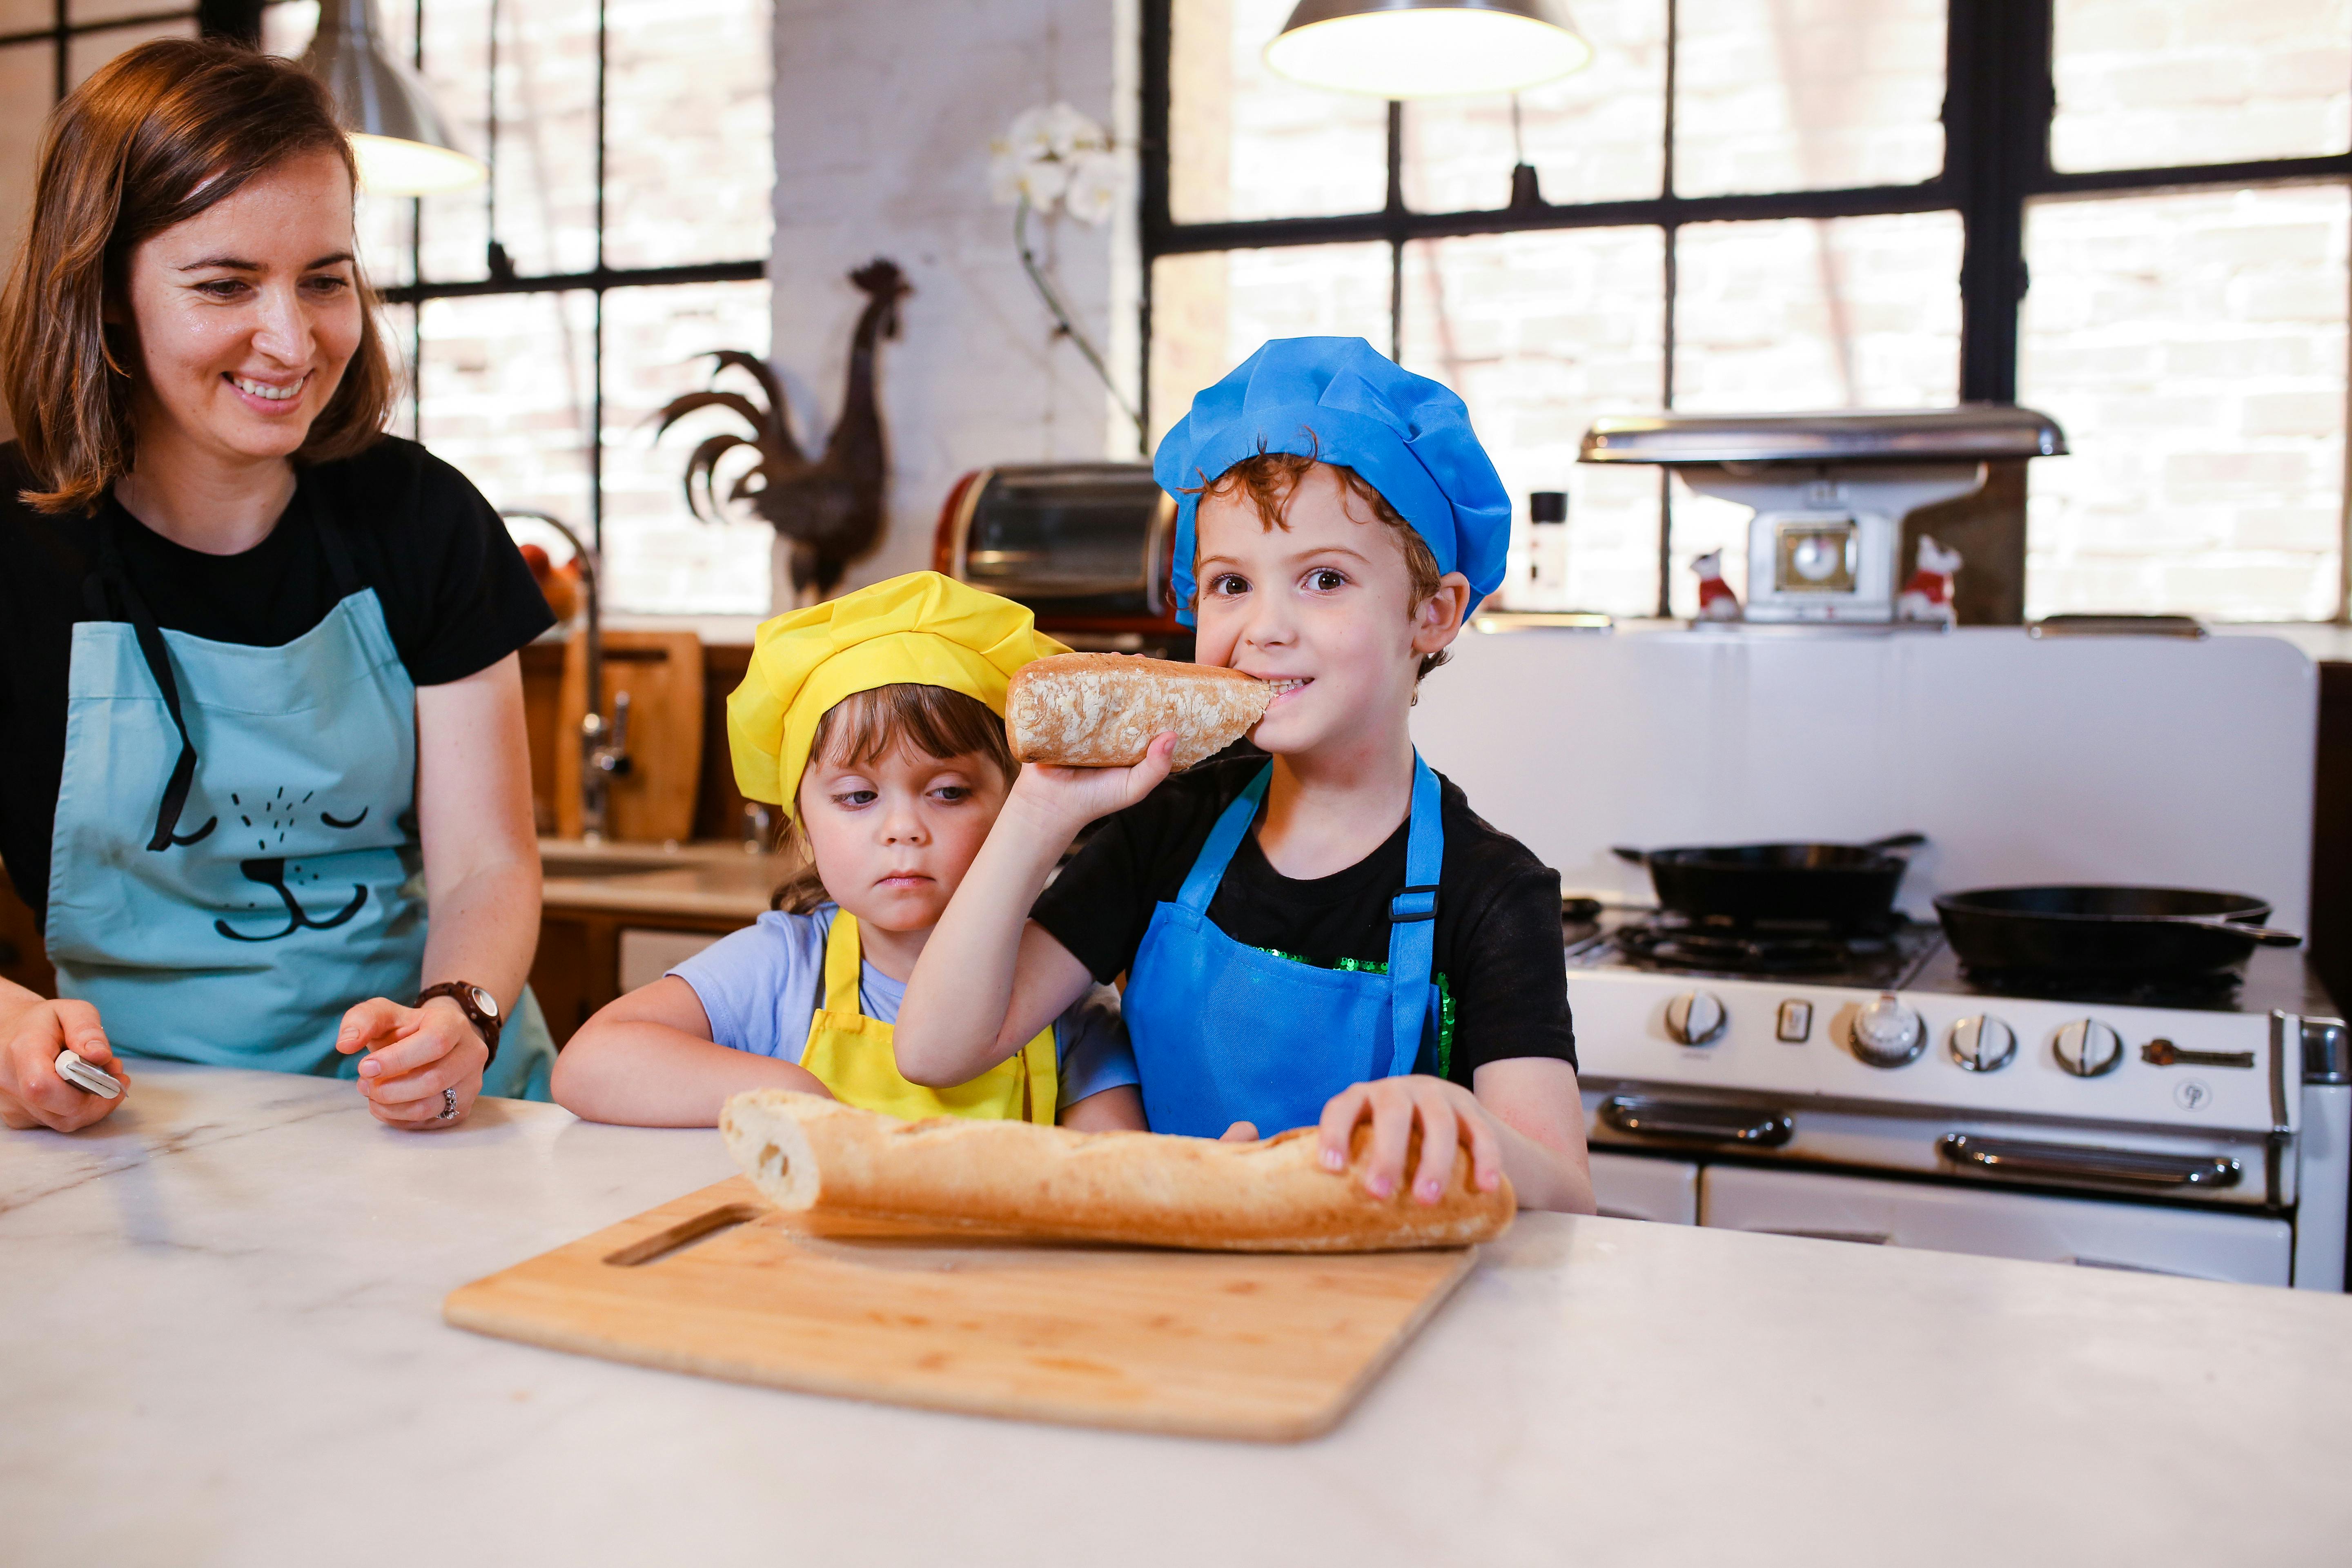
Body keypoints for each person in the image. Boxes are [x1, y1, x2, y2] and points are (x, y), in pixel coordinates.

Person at [895, 337, 1597, 1212]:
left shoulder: (1492, 893)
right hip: (1180, 1301)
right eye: (1229, 584)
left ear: (1432, 612)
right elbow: (934, 1049)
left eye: (1325, 579)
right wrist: (1039, 811)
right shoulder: (1167, 829)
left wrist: (1463, 1127)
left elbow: (1567, 1200)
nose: (1264, 627)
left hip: (1397, 1316)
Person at [0, 40, 557, 1134]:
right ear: (107, 296)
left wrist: (463, 1009)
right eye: (225, 284)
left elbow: (488, 864)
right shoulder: (11, 546)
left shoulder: (421, 517)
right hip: (142, 1125)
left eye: (326, 279)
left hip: (444, 1109)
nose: (293, 339)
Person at [552, 572, 1143, 1130]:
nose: (903, 828)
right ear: (804, 827)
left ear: (1018, 809)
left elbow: (1114, 1173)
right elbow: (588, 1065)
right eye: (859, 797)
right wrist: (795, 1094)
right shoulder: (783, 968)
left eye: (949, 792)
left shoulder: (1059, 994)